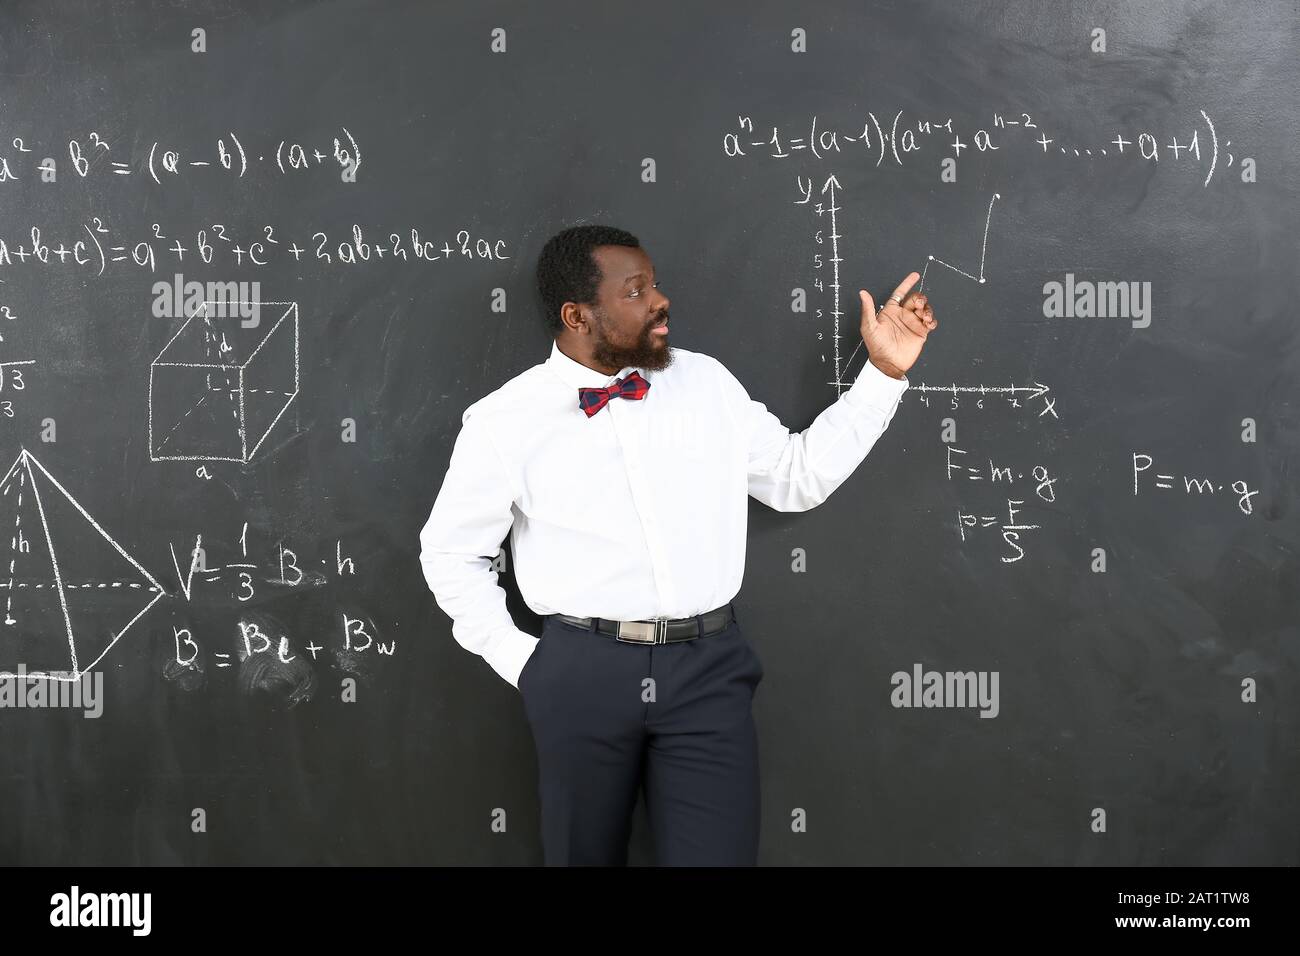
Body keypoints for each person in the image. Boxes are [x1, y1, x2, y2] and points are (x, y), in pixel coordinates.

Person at [419, 224, 936, 865]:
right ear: (577, 315)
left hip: (708, 670)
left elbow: (794, 477)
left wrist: (883, 376)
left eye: (656, 283)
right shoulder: (504, 420)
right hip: (581, 671)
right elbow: (451, 554)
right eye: (636, 291)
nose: (660, 301)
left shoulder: (706, 383)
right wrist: (525, 662)